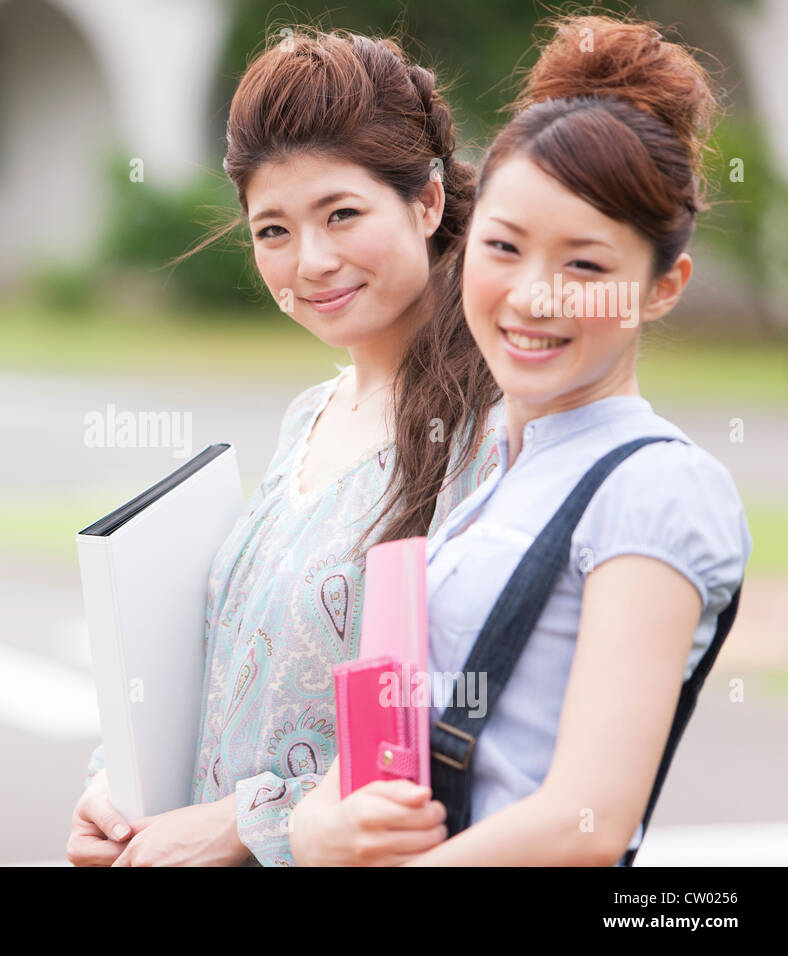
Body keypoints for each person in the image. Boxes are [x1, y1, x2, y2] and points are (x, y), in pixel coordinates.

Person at [289, 13, 753, 866]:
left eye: (585, 265)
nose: (534, 297)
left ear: (662, 287)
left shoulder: (656, 489)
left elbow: (587, 821)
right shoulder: (489, 460)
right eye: (504, 247)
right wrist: (316, 823)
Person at [66, 25, 504, 867]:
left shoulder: (485, 430)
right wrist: (117, 790)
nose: (312, 261)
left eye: (342, 213)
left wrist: (244, 826)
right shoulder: (311, 413)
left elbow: (445, 725)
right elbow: (234, 666)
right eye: (274, 231)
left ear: (427, 201)